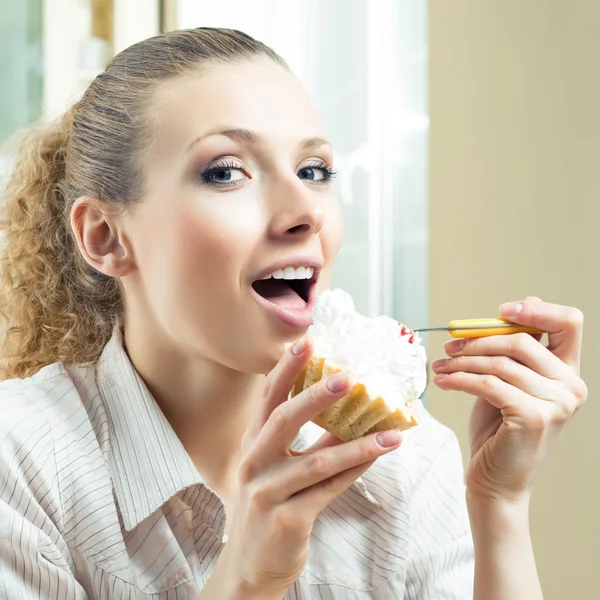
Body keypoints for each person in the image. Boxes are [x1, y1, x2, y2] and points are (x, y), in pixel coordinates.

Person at [0, 28, 586, 600]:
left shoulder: (406, 459)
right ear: (105, 237)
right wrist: (250, 580)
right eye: (226, 171)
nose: (304, 210)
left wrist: (499, 502)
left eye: (314, 172)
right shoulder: (22, 464)